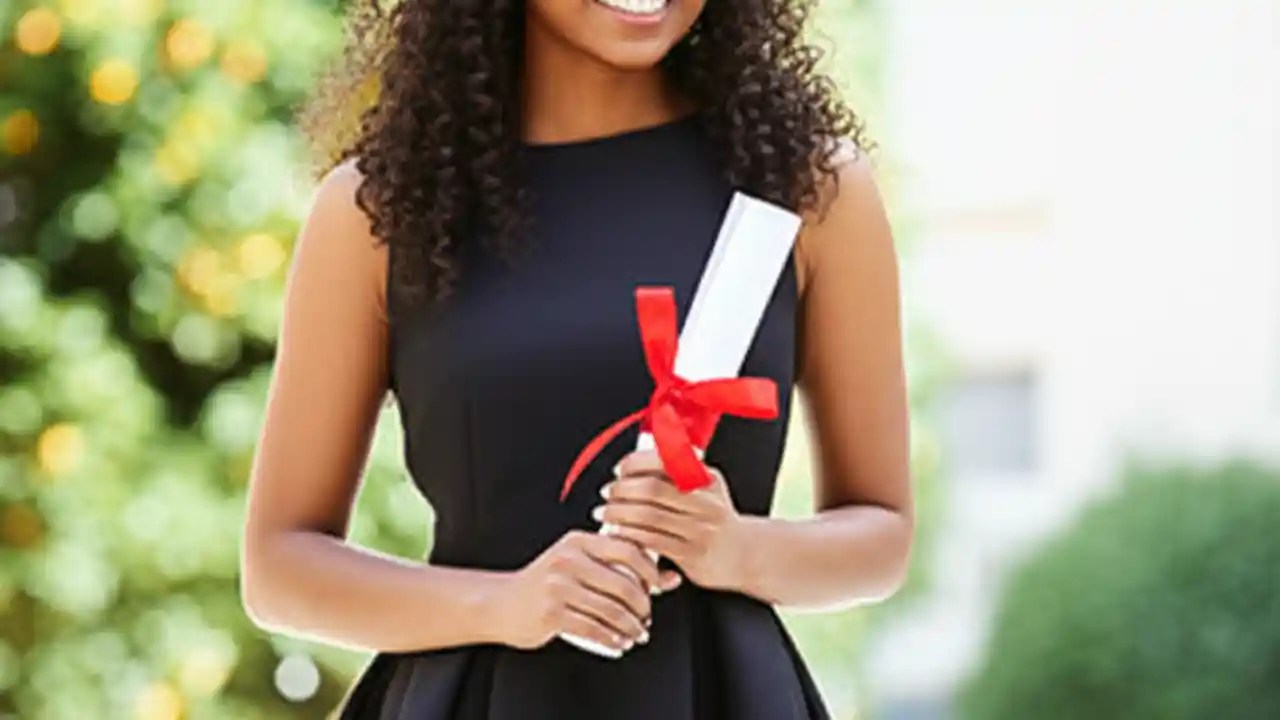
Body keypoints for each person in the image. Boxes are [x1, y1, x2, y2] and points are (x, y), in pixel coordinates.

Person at [240, 1, 913, 718]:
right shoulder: (376, 211)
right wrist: (507, 604)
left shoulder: (811, 190)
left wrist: (738, 549)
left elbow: (882, 532)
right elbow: (280, 565)